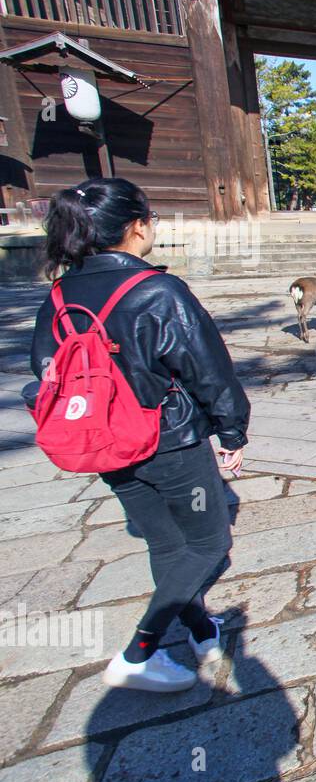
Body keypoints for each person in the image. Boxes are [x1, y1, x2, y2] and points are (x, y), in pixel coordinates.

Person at [28, 178, 249, 692]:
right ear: (135, 226)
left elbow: (44, 367)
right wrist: (231, 431)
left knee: (166, 543)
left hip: (104, 442)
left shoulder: (60, 295)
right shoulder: (157, 291)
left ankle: (199, 629)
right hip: (168, 439)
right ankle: (138, 653)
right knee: (210, 541)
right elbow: (207, 369)